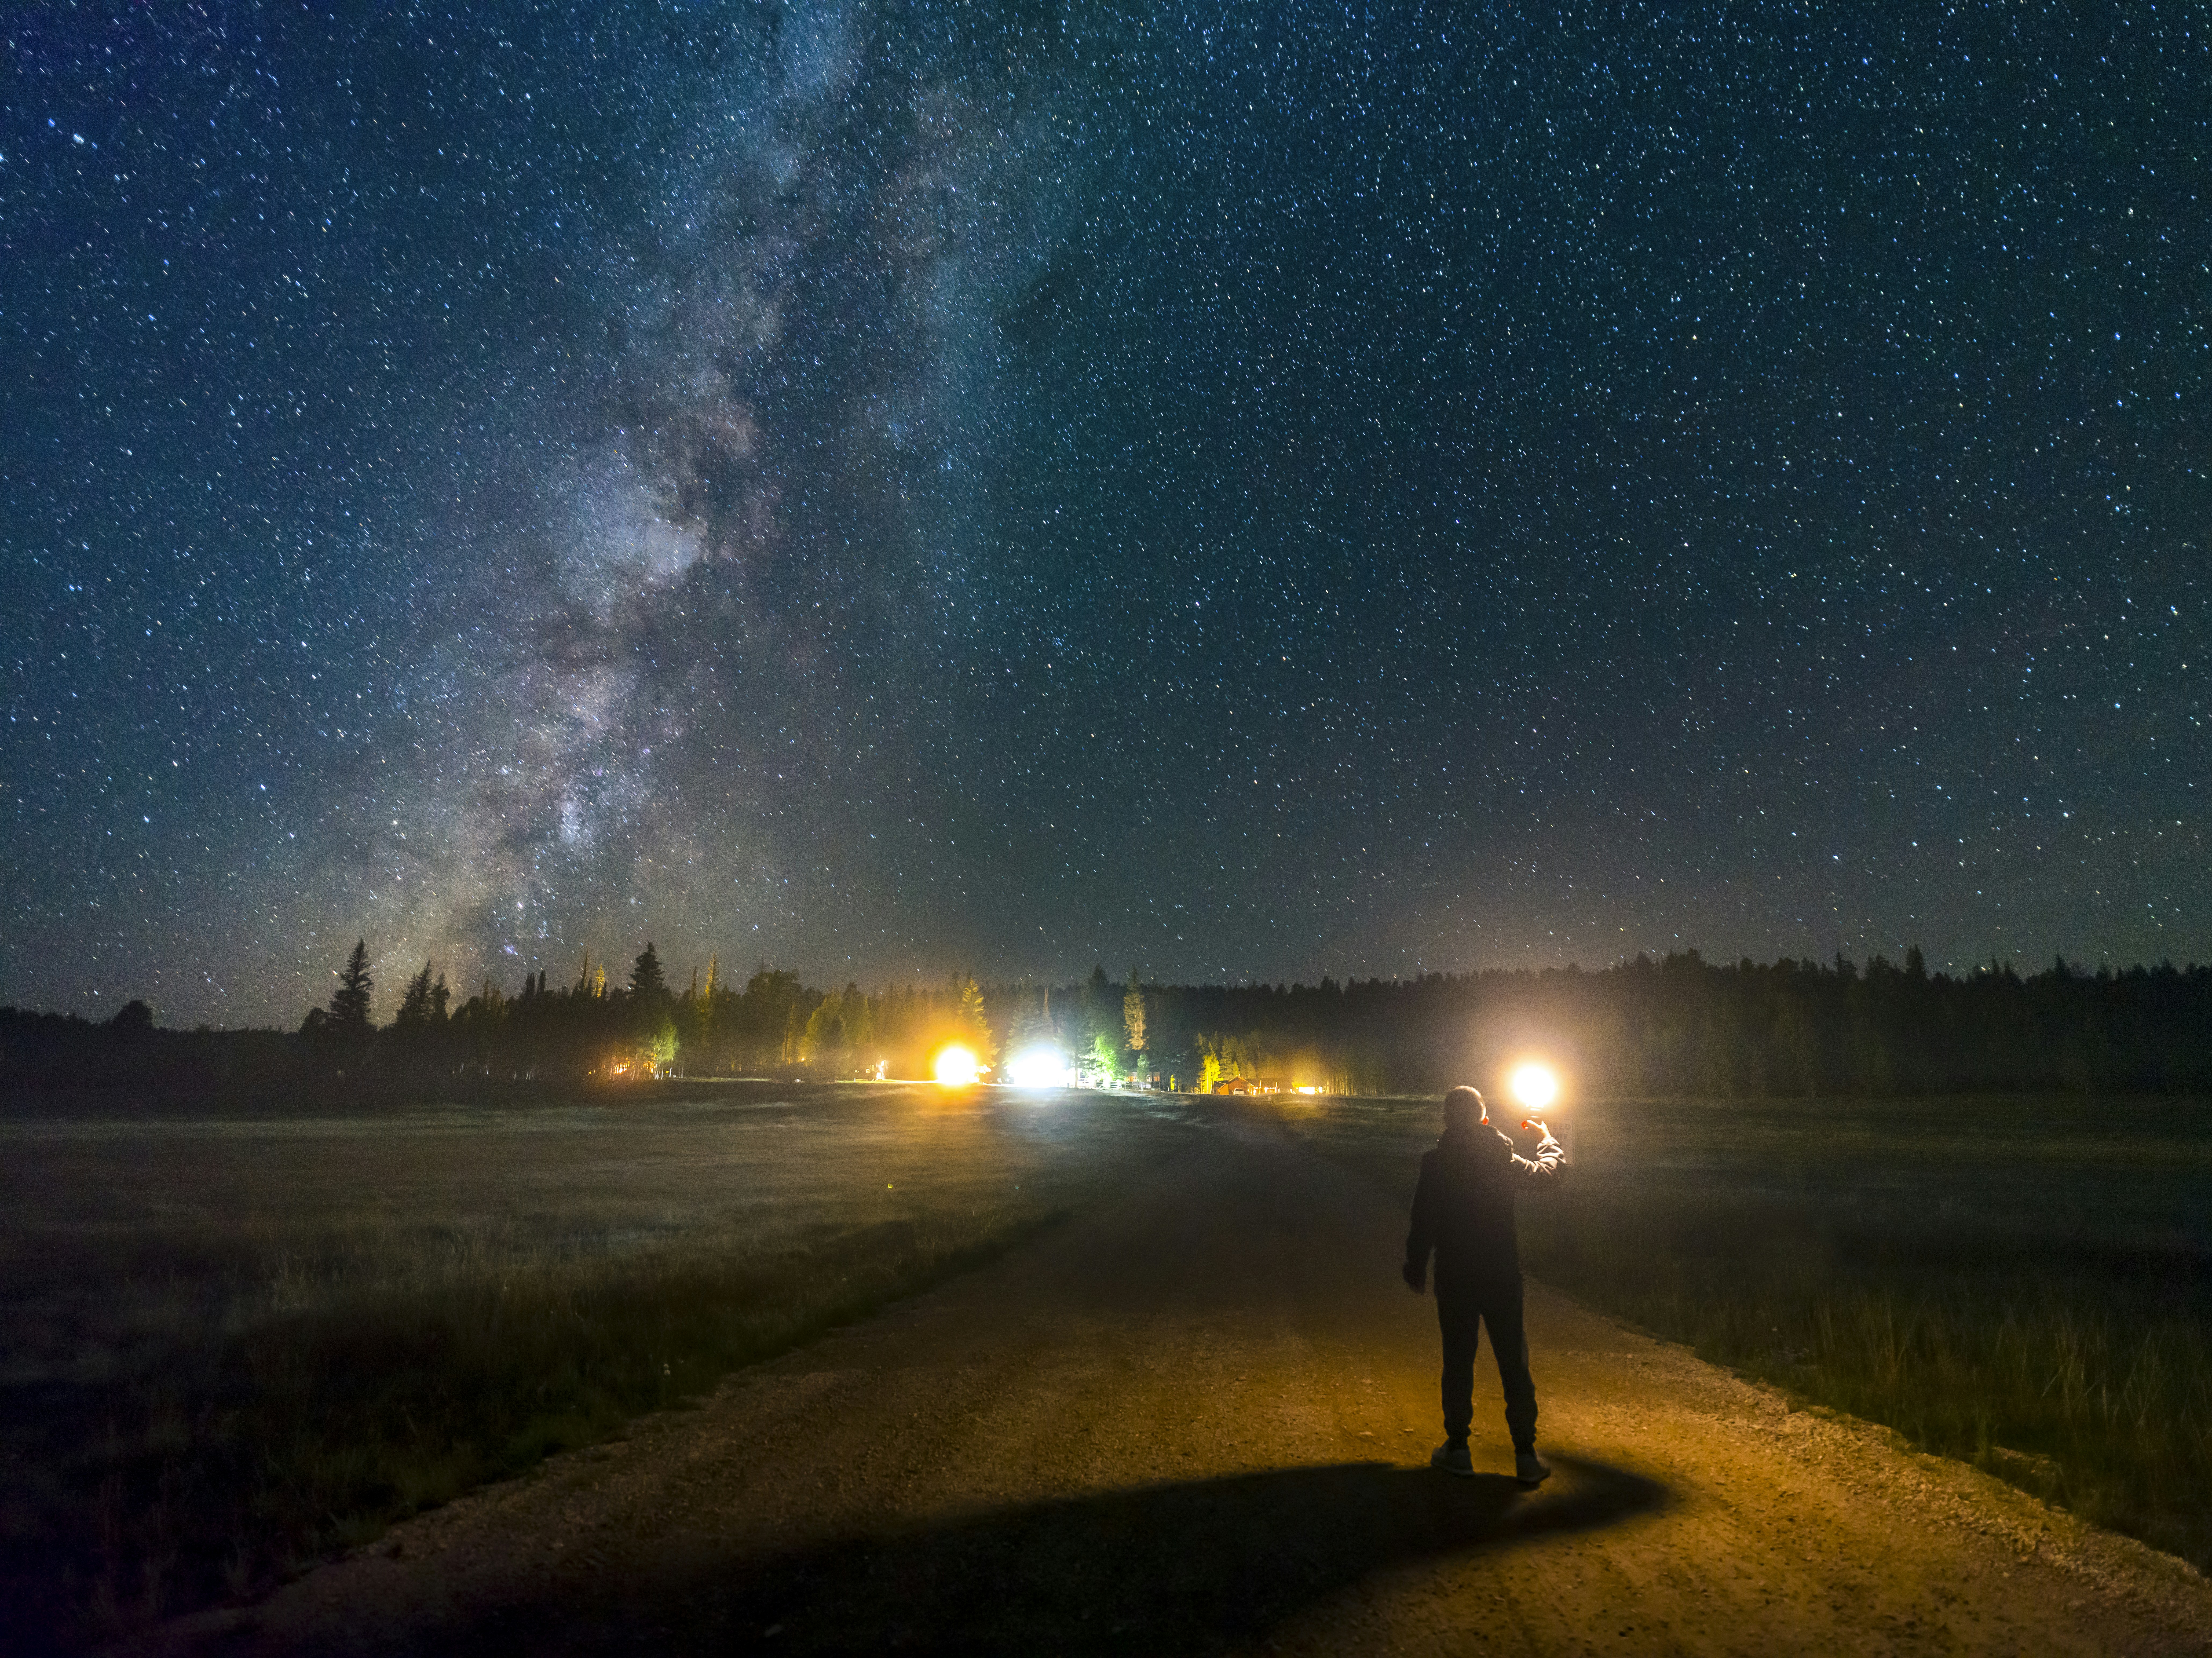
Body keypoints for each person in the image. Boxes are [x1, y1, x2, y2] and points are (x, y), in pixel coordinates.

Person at [1402, 1084, 1564, 1484]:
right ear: (1484, 1118)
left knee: (1458, 1359)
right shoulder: (1502, 1159)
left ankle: (1457, 1447)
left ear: (1447, 1119)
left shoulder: (1435, 1164)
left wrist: (1416, 1264)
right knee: (1513, 1361)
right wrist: (1548, 1138)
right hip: (1501, 1276)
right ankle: (1526, 1454)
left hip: (1455, 1277)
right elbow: (1549, 1175)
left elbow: (1423, 1219)